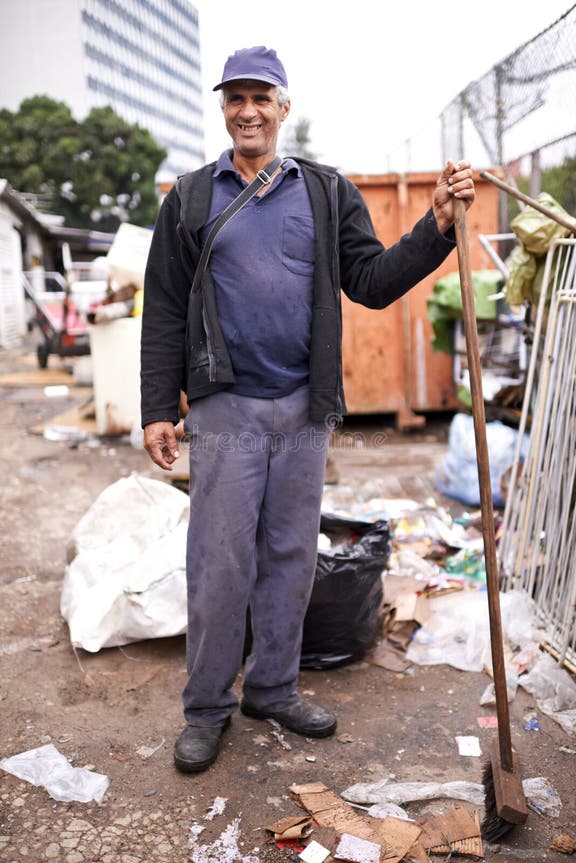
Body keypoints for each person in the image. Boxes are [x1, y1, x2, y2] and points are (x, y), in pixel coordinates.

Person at [141, 45, 475, 774]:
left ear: (284, 108)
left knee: (291, 556)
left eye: (263, 97)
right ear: (224, 108)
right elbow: (164, 306)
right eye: (236, 98)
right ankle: (207, 709)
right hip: (225, 407)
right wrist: (156, 405)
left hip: (302, 404)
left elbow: (373, 280)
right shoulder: (192, 197)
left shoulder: (325, 192)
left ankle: (272, 687)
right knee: (219, 562)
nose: (248, 110)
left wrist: (438, 226)